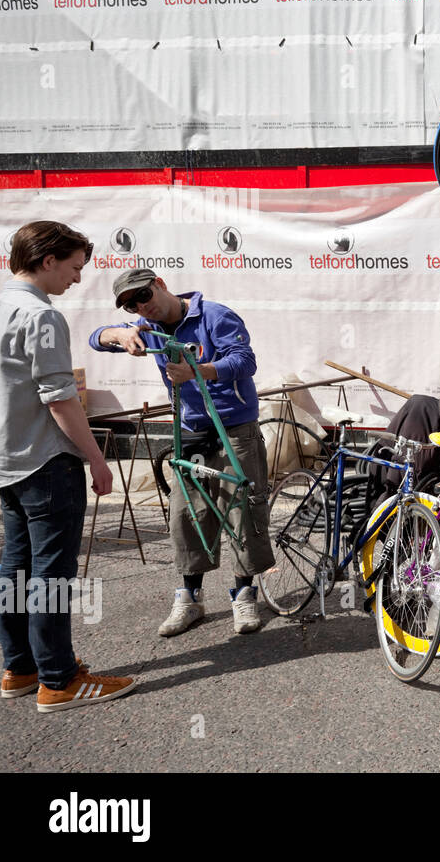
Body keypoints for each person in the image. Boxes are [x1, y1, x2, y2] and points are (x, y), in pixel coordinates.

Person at [89, 269, 272, 637]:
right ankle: (190, 596)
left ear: (160, 283)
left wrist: (198, 371)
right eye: (131, 304)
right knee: (188, 511)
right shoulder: (145, 326)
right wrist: (121, 334)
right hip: (190, 430)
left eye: (144, 296)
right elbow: (96, 339)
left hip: (234, 427)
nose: (142, 307)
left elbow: (245, 361)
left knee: (242, 508)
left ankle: (243, 592)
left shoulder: (214, 315)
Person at [0, 220, 136, 712]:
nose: (77, 279)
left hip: (7, 461)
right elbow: (60, 397)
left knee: (15, 570)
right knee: (50, 577)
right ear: (48, 259)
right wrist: (97, 459)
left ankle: (20, 668)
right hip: (46, 459)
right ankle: (58, 680)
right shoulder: (41, 316)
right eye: (75, 268)